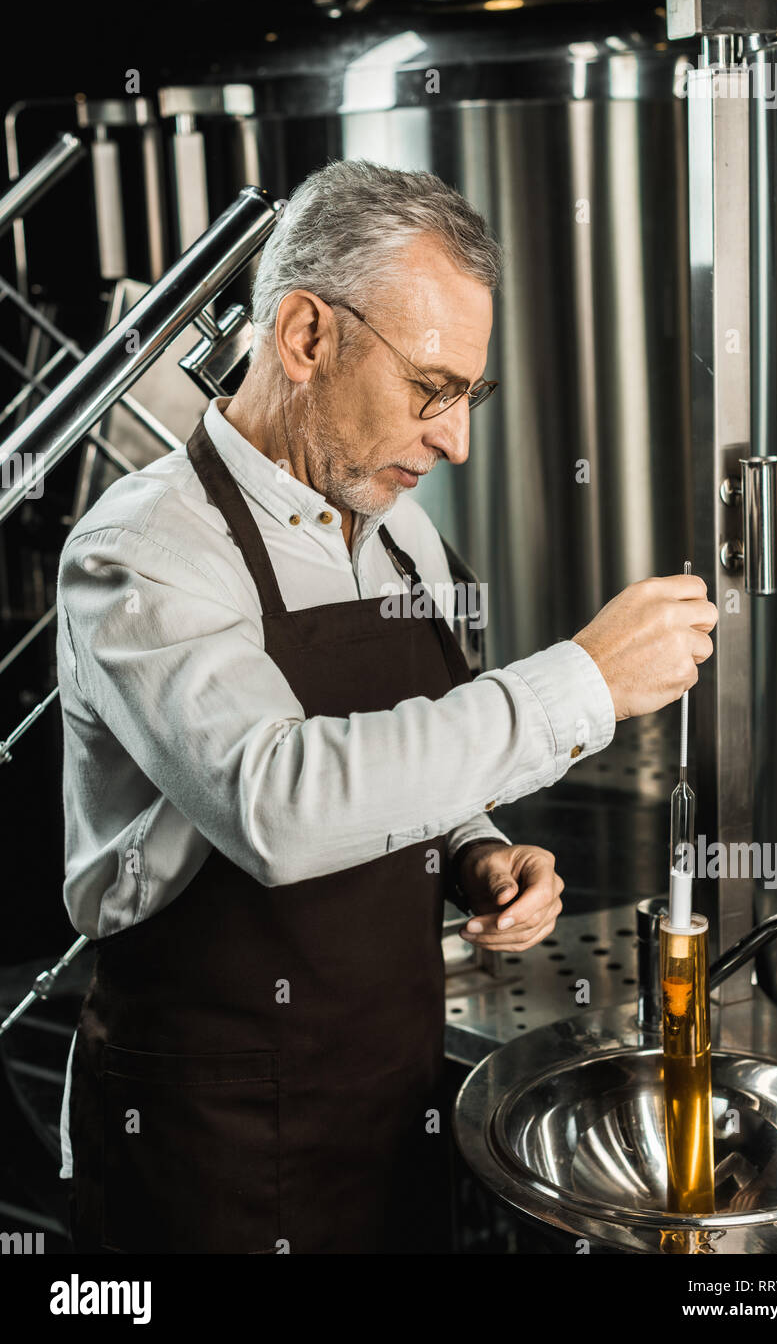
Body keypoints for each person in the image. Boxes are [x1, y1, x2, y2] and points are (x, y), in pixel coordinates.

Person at [56, 158, 717, 1254]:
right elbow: (278, 802)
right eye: (432, 387)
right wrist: (585, 680)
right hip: (207, 1138)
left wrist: (477, 849)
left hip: (389, 1105)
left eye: (471, 393)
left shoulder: (402, 529)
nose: (456, 440)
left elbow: (415, 742)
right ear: (306, 337)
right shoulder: (146, 552)